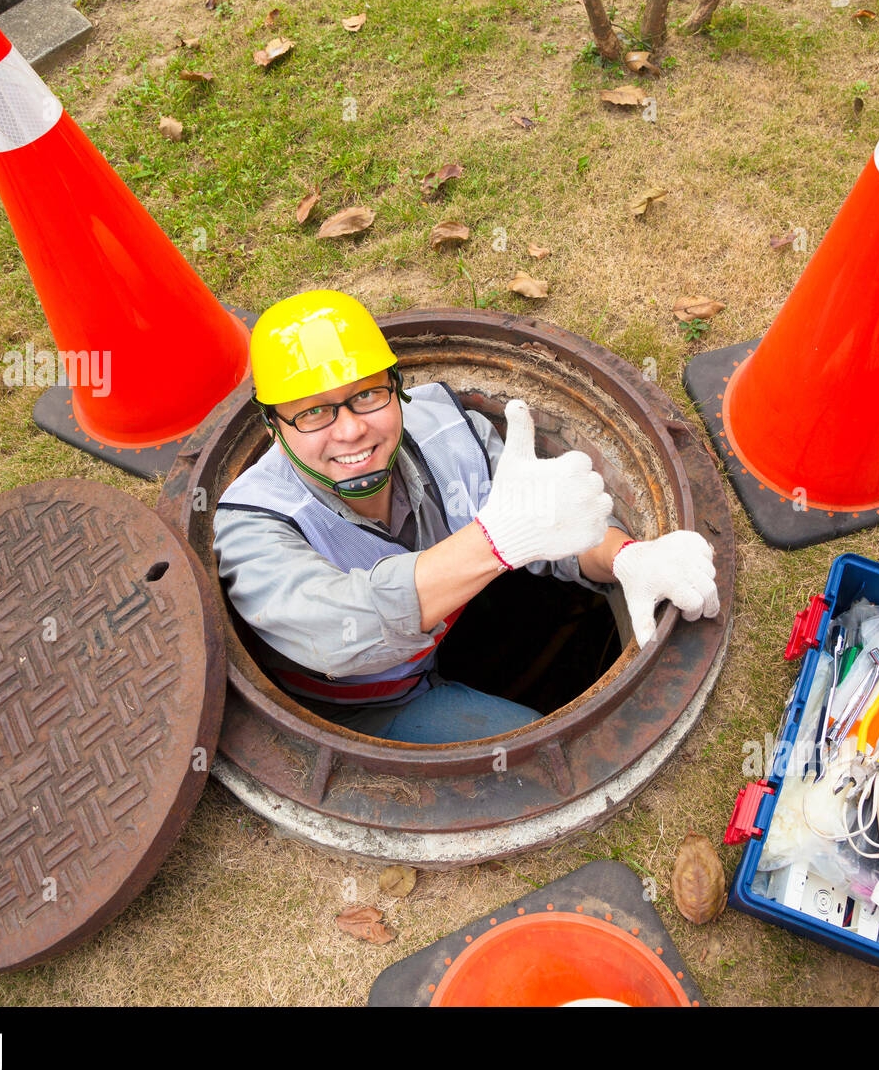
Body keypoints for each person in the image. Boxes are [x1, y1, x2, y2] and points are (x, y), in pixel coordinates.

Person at [212, 290, 720, 744]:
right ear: (275, 428)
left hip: (439, 646)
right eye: (313, 412)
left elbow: (550, 525)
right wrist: (493, 544)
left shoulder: (449, 434)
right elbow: (336, 633)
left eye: (366, 395)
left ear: (397, 387)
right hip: (366, 709)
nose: (350, 432)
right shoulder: (255, 523)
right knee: (538, 753)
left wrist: (626, 555)